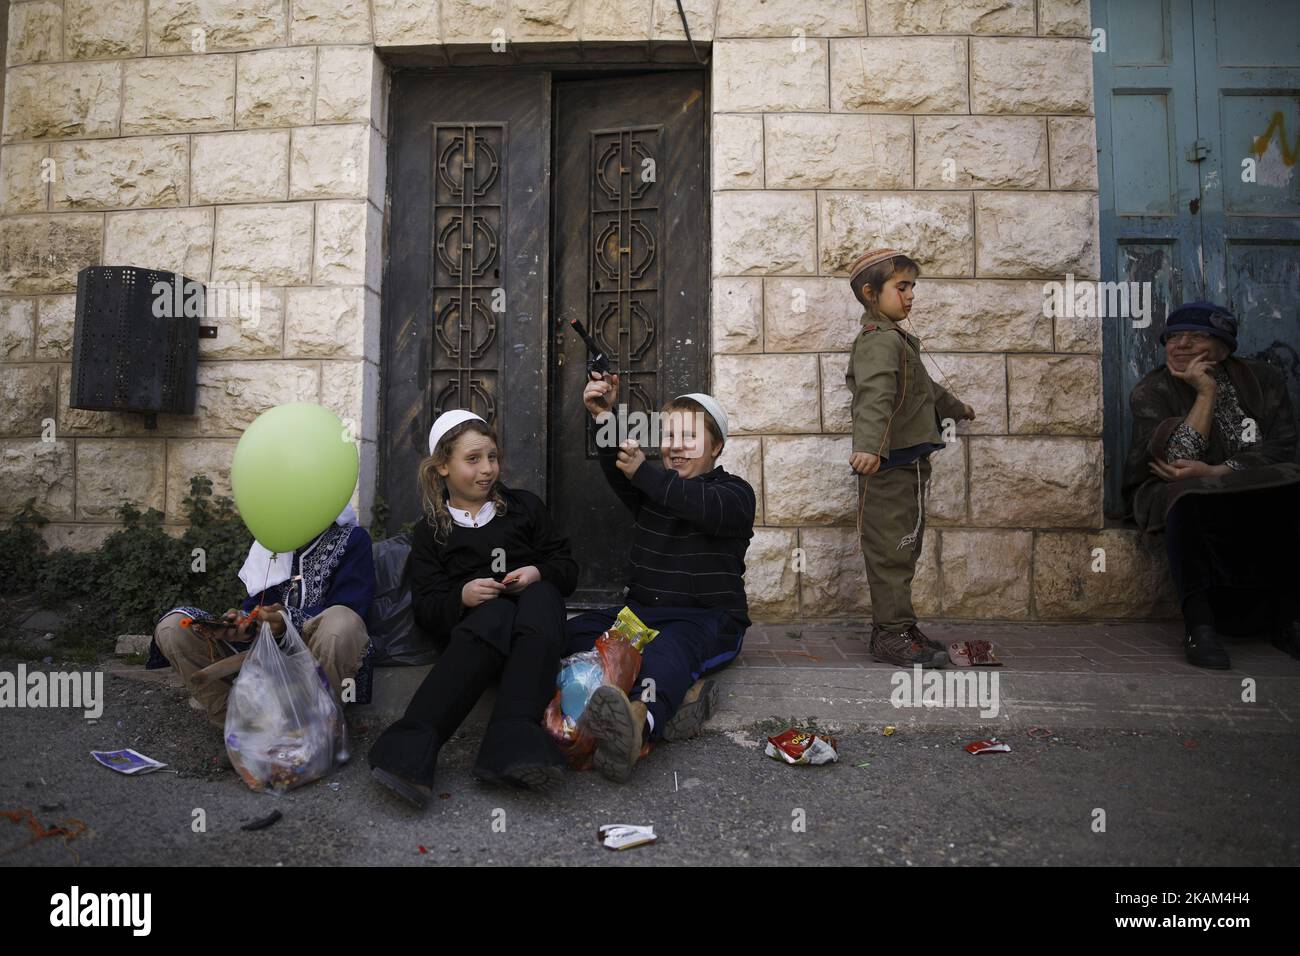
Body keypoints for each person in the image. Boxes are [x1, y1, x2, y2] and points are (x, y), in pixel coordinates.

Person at [368, 410, 578, 806]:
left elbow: (567, 569)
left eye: (493, 457)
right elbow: (428, 608)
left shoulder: (525, 508)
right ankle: (408, 750)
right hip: (475, 638)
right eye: (473, 459)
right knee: (495, 613)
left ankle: (512, 740)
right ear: (442, 467)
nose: (487, 469)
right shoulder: (432, 531)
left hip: (533, 635)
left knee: (543, 595)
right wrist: (461, 596)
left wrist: (537, 570)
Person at [566, 383, 755, 782]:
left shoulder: (735, 493)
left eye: (689, 436)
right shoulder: (652, 491)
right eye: (669, 436)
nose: (676, 446)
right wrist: (603, 416)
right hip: (641, 616)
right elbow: (619, 465)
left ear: (716, 447)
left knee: (666, 655)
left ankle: (637, 727)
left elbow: (691, 503)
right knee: (569, 633)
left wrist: (645, 474)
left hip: (705, 620)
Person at [1122, 301, 1300, 668]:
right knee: (1188, 495)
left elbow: (1282, 446)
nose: (1181, 344)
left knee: (1289, 488)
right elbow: (1176, 460)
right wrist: (1204, 393)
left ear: (1223, 346)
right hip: (1176, 490)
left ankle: (1288, 620)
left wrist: (1222, 471)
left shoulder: (1263, 379)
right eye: (1173, 337)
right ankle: (1199, 626)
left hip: (1249, 482)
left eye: (1197, 335)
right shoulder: (1152, 390)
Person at [846, 247, 976, 668]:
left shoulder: (898, 341)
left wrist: (956, 407)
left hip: (908, 464)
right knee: (889, 551)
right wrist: (868, 446)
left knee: (904, 549)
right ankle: (889, 634)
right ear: (871, 293)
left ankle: (899, 626)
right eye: (901, 287)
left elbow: (925, 389)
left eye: (912, 287)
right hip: (886, 467)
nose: (910, 296)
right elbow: (876, 395)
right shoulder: (878, 343)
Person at [151, 503, 376, 728]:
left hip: (316, 657)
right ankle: (244, 728)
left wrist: (287, 620)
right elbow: (256, 608)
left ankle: (314, 732)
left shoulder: (352, 540)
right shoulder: (270, 543)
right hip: (260, 660)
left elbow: (351, 608)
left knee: (342, 622)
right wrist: (241, 625)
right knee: (174, 627)